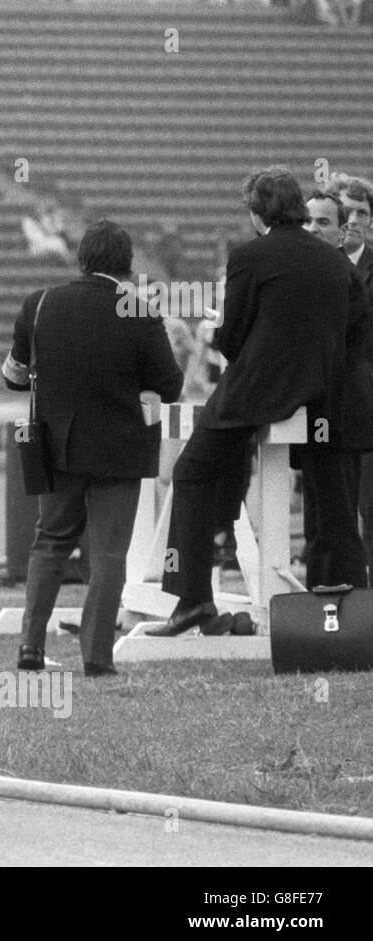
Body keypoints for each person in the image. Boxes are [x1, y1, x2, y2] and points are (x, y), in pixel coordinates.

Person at [152, 167, 361, 635]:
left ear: (256, 211)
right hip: (322, 399)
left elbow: (231, 338)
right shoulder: (336, 262)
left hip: (255, 394)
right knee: (334, 510)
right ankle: (349, 619)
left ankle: (193, 599)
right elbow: (352, 324)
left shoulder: (249, 256)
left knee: (189, 474)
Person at [3, 220, 183, 676]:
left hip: (57, 446)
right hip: (120, 451)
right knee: (108, 554)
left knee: (50, 542)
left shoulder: (39, 303)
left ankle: (30, 645)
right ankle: (97, 656)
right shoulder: (139, 311)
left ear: (82, 259)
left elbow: (14, 376)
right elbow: (170, 385)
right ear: (126, 266)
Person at [296, 189, 373, 587]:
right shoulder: (316, 273)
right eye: (307, 221)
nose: (312, 229)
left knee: (339, 524)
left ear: (341, 231)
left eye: (322, 222)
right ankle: (321, 616)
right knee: (319, 524)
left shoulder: (340, 277)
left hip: (340, 416)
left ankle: (351, 619)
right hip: (314, 415)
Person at [330, 174, 373, 577]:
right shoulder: (319, 265)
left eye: (362, 211)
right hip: (327, 403)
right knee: (330, 515)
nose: (354, 219)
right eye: (348, 211)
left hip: (369, 403)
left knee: (370, 510)